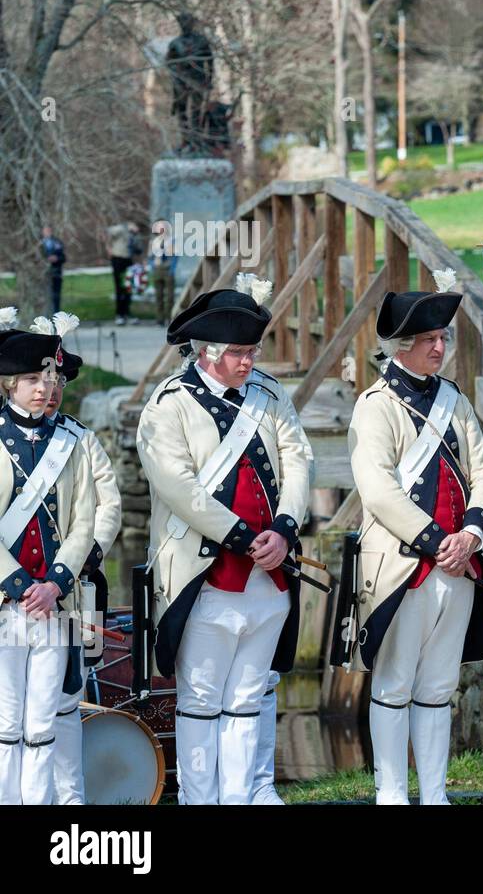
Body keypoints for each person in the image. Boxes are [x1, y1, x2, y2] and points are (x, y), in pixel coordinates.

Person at [135, 274, 314, 804]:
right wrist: (242, 537)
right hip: (203, 573)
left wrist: (283, 529)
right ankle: (199, 800)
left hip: (270, 571)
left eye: (253, 350)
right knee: (200, 699)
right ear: (208, 353)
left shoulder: (269, 393)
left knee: (244, 699)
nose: (248, 361)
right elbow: (178, 487)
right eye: (238, 352)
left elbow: (298, 459)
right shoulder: (167, 405)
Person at [345, 285, 483, 805]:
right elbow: (380, 490)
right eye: (429, 338)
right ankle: (391, 795)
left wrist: (472, 533)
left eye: (443, 336)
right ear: (400, 345)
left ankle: (435, 795)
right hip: (402, 567)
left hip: (458, 566)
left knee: (436, 690)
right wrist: (439, 543)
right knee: (392, 686)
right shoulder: (374, 406)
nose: (439, 347)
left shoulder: (454, 398)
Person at [0, 308, 97, 804]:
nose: (43, 388)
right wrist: (20, 586)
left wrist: (57, 581)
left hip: (54, 602)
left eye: (49, 378)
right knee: (5, 723)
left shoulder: (71, 443)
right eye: (32, 379)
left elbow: (86, 517)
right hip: (6, 605)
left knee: (42, 723)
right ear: (9, 385)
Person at [40, 348, 121, 805]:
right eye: (41, 378)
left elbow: (108, 504)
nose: (51, 390)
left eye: (59, 381)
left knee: (68, 697)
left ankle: (71, 802)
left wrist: (83, 556)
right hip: (11, 594)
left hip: (72, 590)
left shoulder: (80, 439)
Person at [106, 221, 134, 326]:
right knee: (119, 288)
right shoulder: (120, 228)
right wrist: (108, 248)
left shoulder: (131, 234)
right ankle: (119, 314)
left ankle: (127, 313)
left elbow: (136, 248)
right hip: (118, 259)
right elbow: (107, 233)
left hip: (128, 260)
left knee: (128, 288)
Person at [151, 220, 178, 326]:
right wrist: (152, 266)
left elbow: (175, 256)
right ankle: (160, 318)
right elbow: (150, 256)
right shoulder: (154, 241)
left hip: (167, 269)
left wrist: (172, 269)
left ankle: (170, 318)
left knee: (170, 296)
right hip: (157, 268)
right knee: (159, 295)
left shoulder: (171, 240)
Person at [38, 227, 66, 316]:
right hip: (43, 275)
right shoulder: (39, 244)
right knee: (44, 297)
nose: (47, 233)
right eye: (45, 231)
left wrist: (56, 258)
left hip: (56, 273)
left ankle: (56, 316)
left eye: (49, 231)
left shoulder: (57, 242)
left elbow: (63, 257)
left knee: (56, 296)